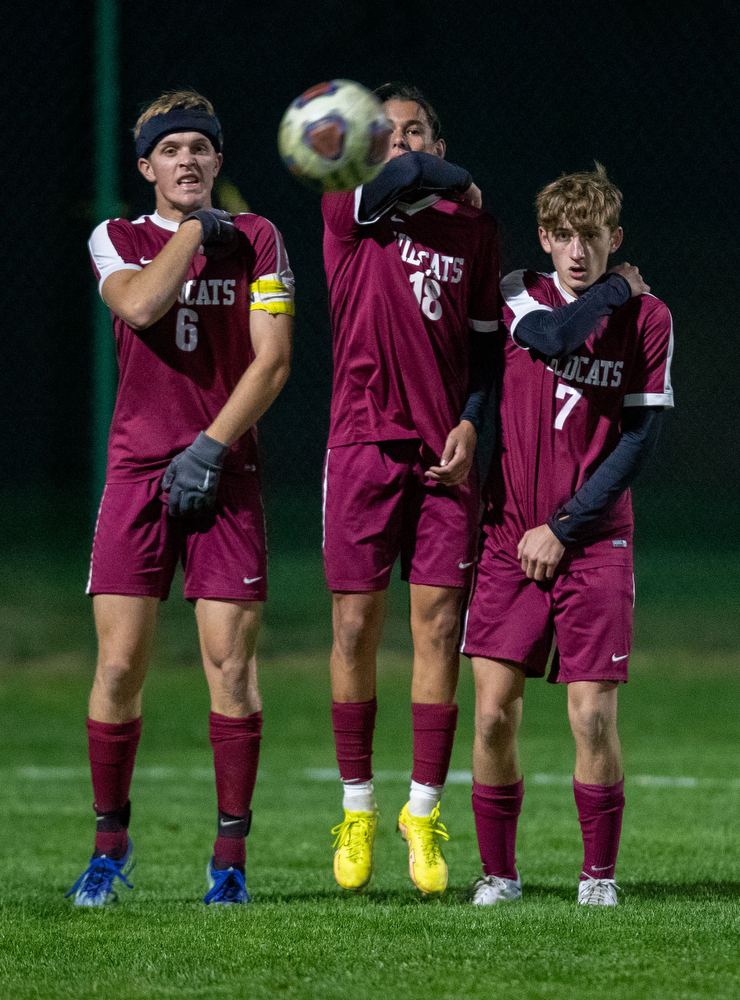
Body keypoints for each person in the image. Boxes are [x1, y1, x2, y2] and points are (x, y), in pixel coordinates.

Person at [66, 90, 294, 907]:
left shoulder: (261, 238)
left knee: (231, 671)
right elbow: (140, 304)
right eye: (172, 150)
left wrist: (209, 446)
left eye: (202, 147)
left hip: (223, 473)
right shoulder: (117, 238)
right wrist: (197, 231)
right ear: (146, 166)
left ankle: (229, 861)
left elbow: (272, 363)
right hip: (136, 476)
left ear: (219, 159)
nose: (188, 160)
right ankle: (109, 846)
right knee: (120, 664)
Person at [462, 164, 674, 906]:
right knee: (491, 715)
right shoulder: (521, 291)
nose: (578, 251)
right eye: (565, 237)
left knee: (590, 715)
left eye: (594, 238)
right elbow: (556, 335)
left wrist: (564, 525)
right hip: (508, 536)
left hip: (593, 539)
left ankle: (597, 877)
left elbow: (639, 441)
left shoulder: (652, 320)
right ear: (546, 239)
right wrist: (620, 286)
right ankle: (500, 874)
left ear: (614, 238)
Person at [321, 83, 501, 895]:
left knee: (437, 630)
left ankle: (421, 813)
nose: (401, 145)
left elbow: (486, 353)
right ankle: (357, 804)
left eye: (416, 131)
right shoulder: (346, 210)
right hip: (362, 446)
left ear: (435, 133)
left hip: (444, 458)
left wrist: (470, 422)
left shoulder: (471, 230)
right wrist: (444, 166)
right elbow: (401, 179)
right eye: (386, 135)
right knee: (357, 626)